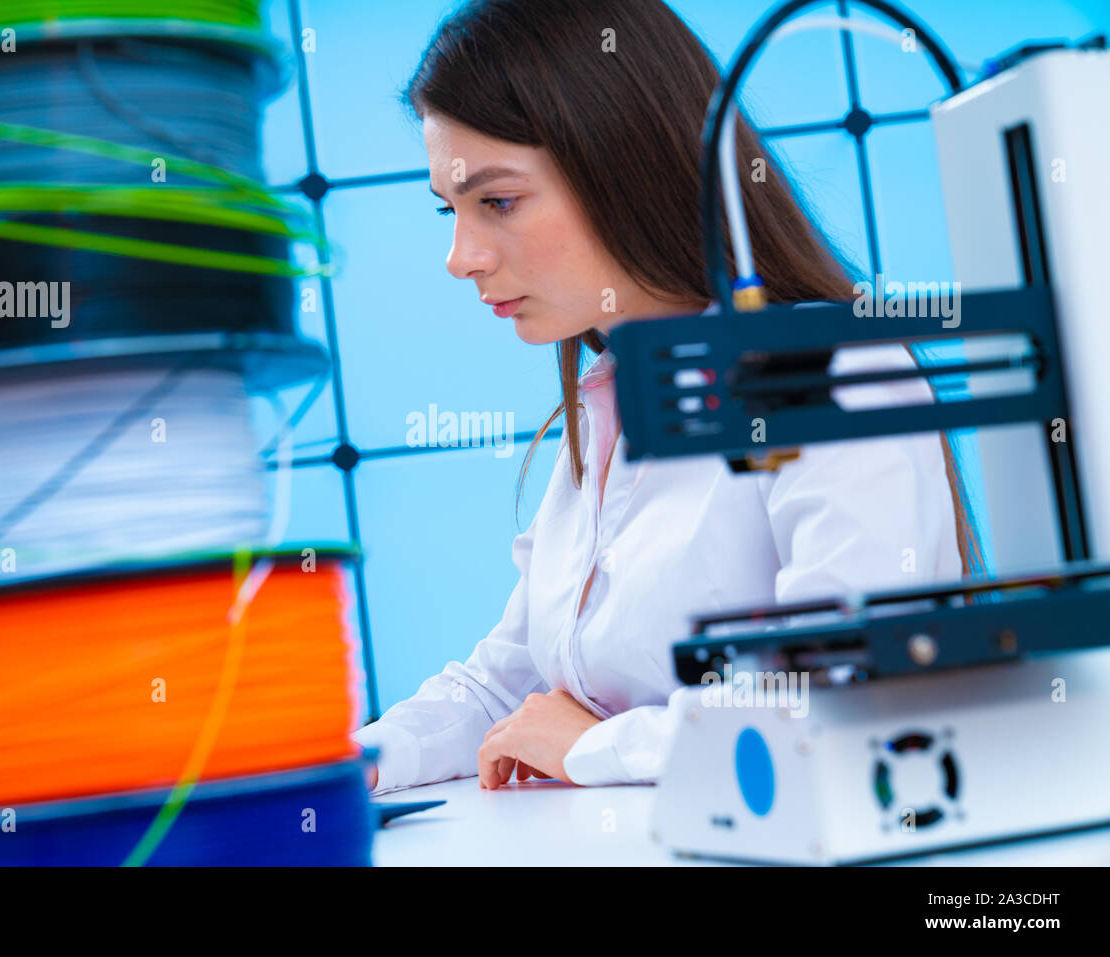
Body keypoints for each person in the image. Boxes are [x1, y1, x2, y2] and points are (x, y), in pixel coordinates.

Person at [353, 0, 981, 794]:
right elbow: (502, 691)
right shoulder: (609, 408)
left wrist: (597, 748)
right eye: (451, 210)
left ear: (620, 163)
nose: (460, 257)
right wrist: (334, 769)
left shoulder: (828, 366)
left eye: (497, 202)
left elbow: (850, 695)